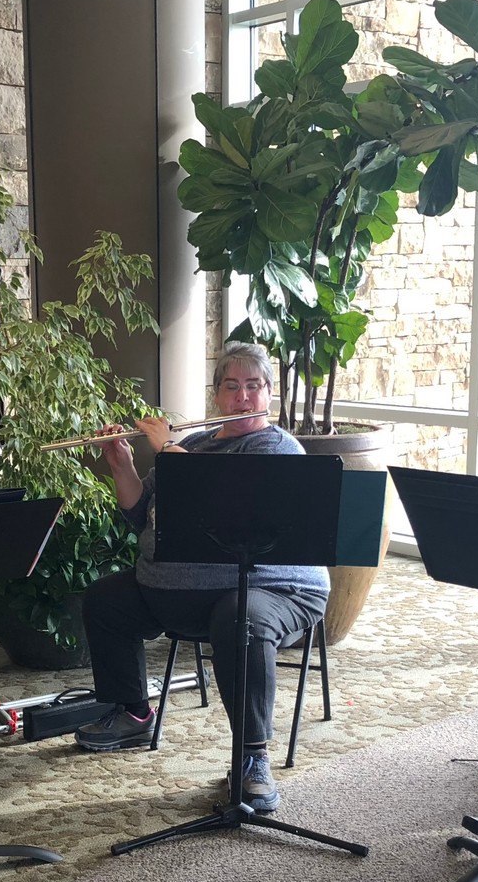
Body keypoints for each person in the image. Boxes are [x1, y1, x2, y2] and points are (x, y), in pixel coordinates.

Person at [73, 342, 330, 812]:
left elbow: (221, 502)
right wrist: (123, 465)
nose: (243, 397)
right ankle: (133, 712)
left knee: (241, 619)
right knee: (106, 600)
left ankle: (252, 757)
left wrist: (168, 449)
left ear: (269, 394)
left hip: (269, 588)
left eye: (254, 386)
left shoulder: (275, 447)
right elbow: (139, 513)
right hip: (175, 590)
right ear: (217, 395)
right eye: (232, 387)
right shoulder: (194, 444)